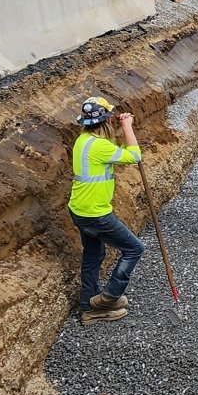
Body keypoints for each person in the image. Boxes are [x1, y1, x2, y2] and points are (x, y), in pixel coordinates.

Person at [68, 97, 144, 324]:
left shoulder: (84, 140)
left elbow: (113, 151)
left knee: (93, 255)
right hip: (95, 214)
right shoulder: (99, 146)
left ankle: (88, 306)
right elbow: (134, 156)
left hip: (79, 209)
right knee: (134, 249)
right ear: (106, 120)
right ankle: (109, 298)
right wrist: (128, 127)